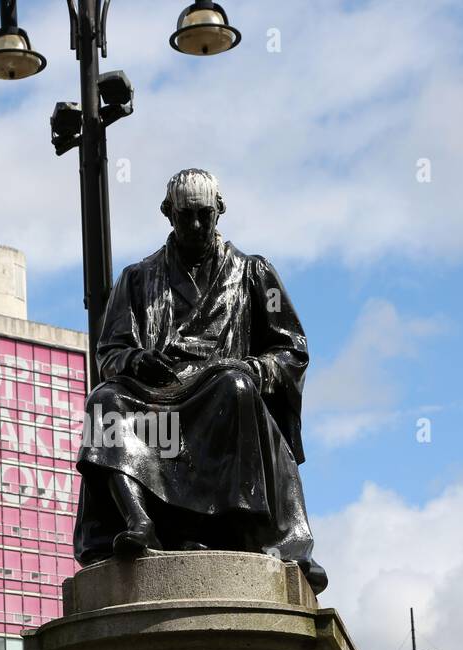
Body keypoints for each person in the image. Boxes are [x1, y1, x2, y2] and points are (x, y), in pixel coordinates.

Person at [73, 168, 328, 593]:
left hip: (222, 397)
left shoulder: (253, 274)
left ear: (219, 212)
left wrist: (256, 368)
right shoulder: (137, 280)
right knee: (104, 400)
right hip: (160, 402)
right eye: (184, 215)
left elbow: (291, 349)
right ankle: (141, 522)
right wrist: (139, 361)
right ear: (167, 213)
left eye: (203, 215)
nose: (194, 225)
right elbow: (110, 354)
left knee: (234, 385)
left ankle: (235, 531)